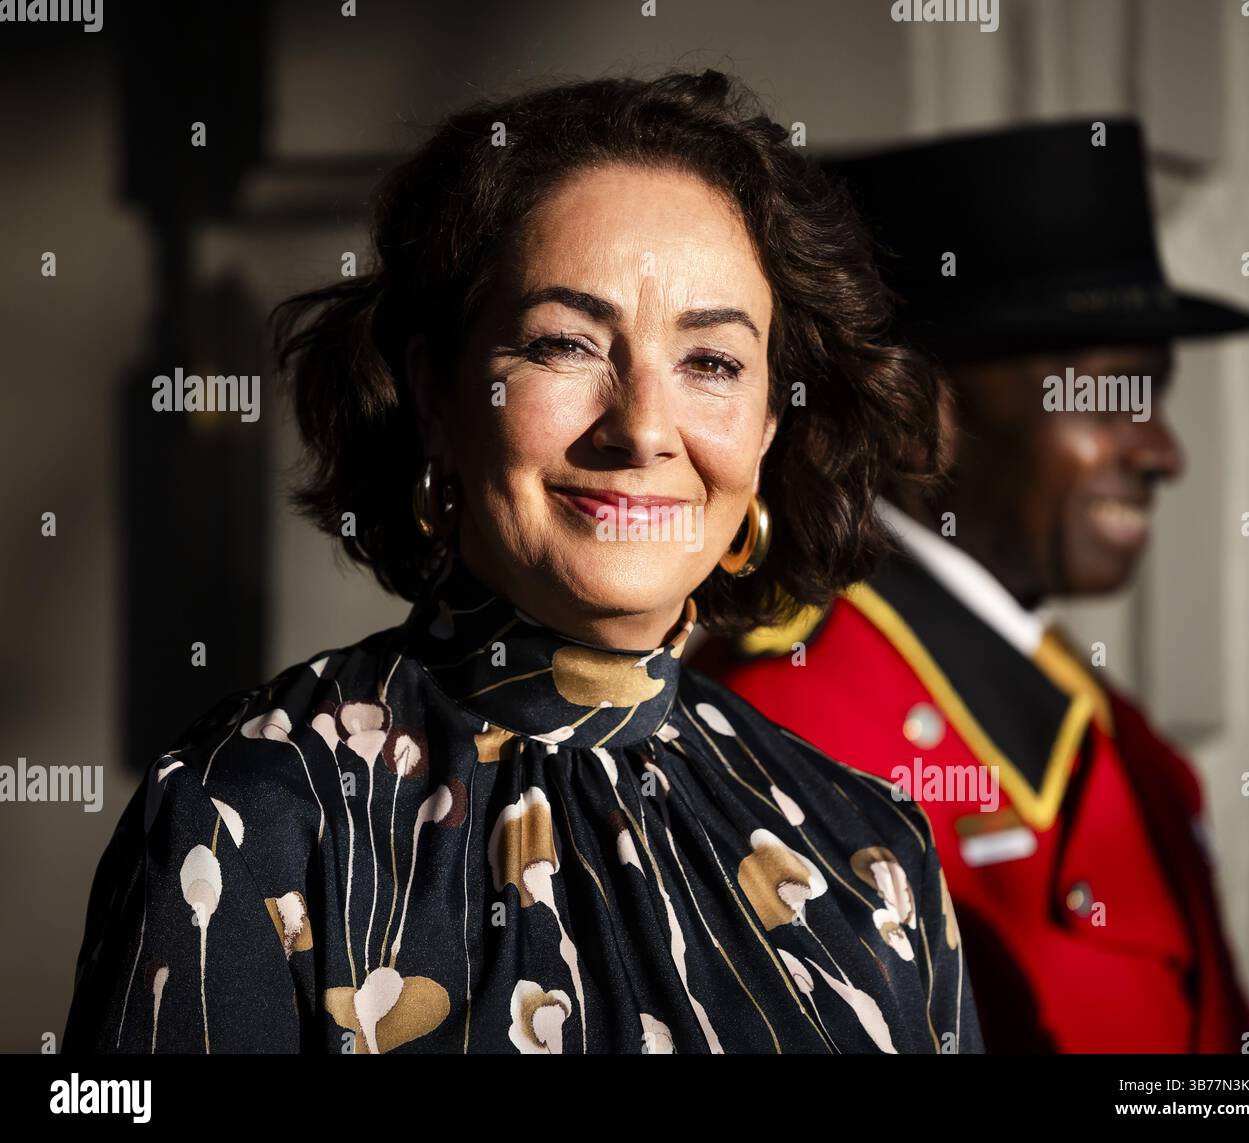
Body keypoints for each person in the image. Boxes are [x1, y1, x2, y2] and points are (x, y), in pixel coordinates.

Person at [61, 70, 981, 1055]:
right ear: (435, 395)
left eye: (710, 362)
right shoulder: (246, 818)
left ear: (766, 425)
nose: (641, 428)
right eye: (564, 345)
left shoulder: (871, 843)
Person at [700, 120, 1249, 1053]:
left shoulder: (1117, 732)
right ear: (922, 417)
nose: (1163, 451)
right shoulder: (785, 735)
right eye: (1109, 395)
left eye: (1155, 396)